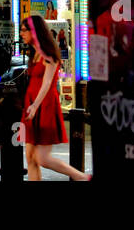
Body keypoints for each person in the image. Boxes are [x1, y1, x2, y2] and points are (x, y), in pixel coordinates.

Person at [19, 15, 89, 181]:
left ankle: (82, 177)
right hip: (33, 104)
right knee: (30, 157)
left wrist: (35, 105)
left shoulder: (48, 54)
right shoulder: (35, 53)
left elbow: (47, 82)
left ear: (34, 31)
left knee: (42, 158)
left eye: (24, 30)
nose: (21, 34)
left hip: (44, 105)